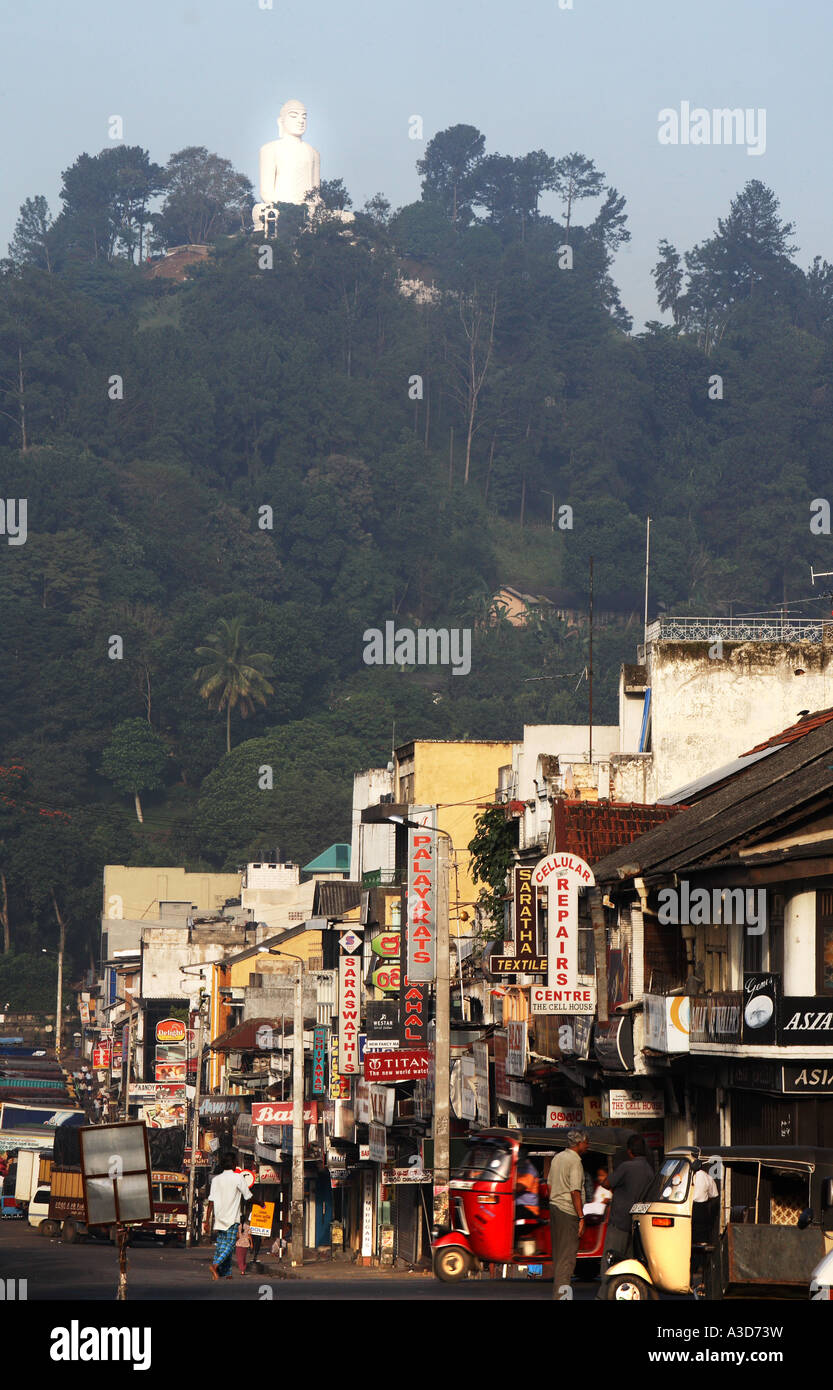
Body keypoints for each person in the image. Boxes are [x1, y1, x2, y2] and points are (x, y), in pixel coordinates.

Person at [548, 1128, 590, 1299]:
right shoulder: (575, 1162)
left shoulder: (557, 1158)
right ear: (579, 1143)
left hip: (555, 1208)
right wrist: (581, 1217)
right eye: (586, 1142)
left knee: (559, 1258)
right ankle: (562, 1297)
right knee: (567, 1261)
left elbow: (549, 1185)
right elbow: (575, 1192)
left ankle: (559, 1295)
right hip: (568, 1212)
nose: (587, 1146)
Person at [602, 1136, 655, 1269]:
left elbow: (606, 1183)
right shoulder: (649, 1170)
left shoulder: (626, 1167)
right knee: (630, 1264)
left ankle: (606, 1289)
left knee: (610, 1262)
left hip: (619, 1222)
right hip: (637, 1224)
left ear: (630, 1151)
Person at [203, 1155, 254, 1281]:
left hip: (219, 1218)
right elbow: (248, 1196)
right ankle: (215, 1265)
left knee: (221, 1245)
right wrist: (260, 1203)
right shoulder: (238, 1178)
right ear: (233, 1164)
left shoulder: (216, 1180)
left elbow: (211, 1202)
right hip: (232, 1218)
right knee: (230, 1245)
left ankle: (227, 1273)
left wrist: (206, 1220)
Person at [515, 1152, 542, 1229]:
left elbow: (520, 1187)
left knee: (506, 1215)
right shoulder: (517, 1168)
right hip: (519, 1207)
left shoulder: (528, 1168)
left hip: (528, 1209)